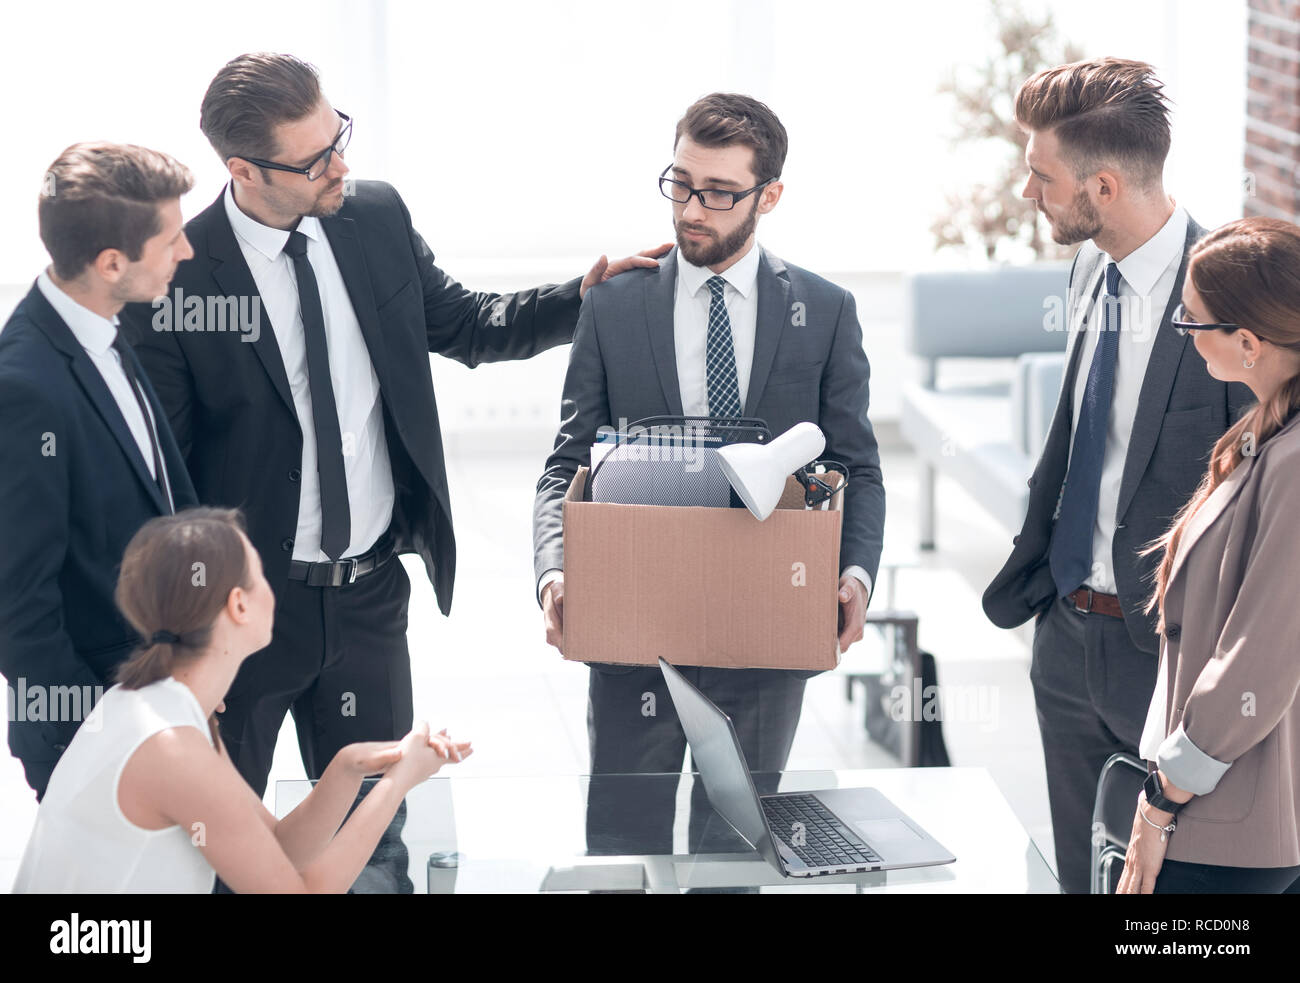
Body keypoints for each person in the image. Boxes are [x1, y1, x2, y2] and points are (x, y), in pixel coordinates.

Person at [120, 51, 669, 800]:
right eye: (314, 161)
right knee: (225, 839)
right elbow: (166, 474)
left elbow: (465, 324)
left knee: (373, 829)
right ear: (245, 172)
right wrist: (183, 633)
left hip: (368, 597)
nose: (339, 165)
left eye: (339, 136)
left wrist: (583, 296)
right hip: (240, 615)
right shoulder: (179, 276)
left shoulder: (374, 219)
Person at [532, 93, 886, 854]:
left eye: (720, 193)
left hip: (765, 619)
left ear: (771, 196)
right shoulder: (614, 305)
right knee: (624, 845)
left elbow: (855, 464)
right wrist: (555, 572)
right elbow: (568, 461)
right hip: (634, 623)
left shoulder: (823, 311)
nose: (692, 210)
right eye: (680, 184)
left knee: (739, 848)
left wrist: (854, 574)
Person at [981, 58, 1254, 894]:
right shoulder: (1087, 266)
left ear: (1102, 185)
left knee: (1163, 898)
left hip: (1166, 652)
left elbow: (1257, 503)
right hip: (1066, 635)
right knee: (1080, 876)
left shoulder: (1236, 298)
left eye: (1042, 176)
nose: (1029, 193)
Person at [12, 507, 471, 893]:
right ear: (238, 605)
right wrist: (397, 783)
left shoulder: (158, 706)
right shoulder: (174, 748)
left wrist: (347, 768)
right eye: (262, 573)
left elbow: (277, 851)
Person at [0, 143, 200, 799]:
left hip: (161, 705)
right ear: (111, 262)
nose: (187, 252)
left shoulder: (106, 326)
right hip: (96, 734)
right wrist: (102, 734)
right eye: (171, 239)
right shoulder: (26, 387)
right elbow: (18, 605)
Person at [1117, 218, 1300, 894]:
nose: (1185, 340)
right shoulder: (1265, 435)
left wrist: (1163, 800)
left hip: (1229, 828)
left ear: (1248, 342)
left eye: (1191, 326)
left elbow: (1261, 653)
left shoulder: (1291, 461)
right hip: (1231, 813)